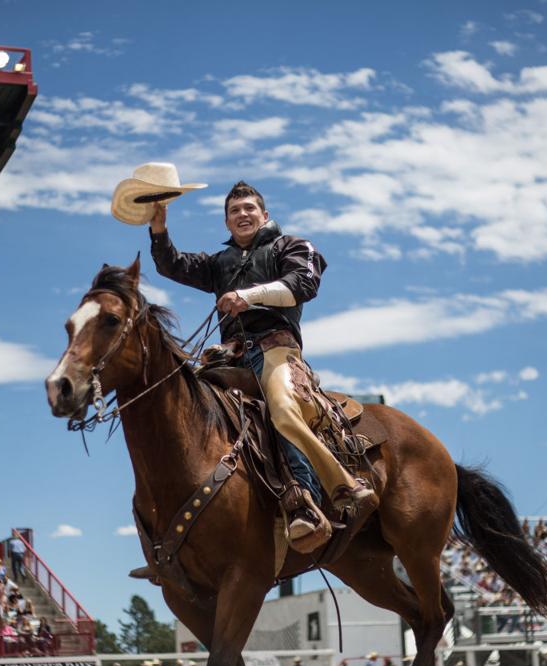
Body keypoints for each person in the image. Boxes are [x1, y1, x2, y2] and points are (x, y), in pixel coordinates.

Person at [143, 176, 376, 551]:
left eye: (249, 208)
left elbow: (303, 284)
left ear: (264, 214)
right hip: (229, 359)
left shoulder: (292, 246)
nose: (242, 214)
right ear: (227, 223)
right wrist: (158, 228)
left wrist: (248, 297)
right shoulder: (220, 262)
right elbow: (173, 265)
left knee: (282, 409)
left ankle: (311, 496)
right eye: (234, 211)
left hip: (276, 350)